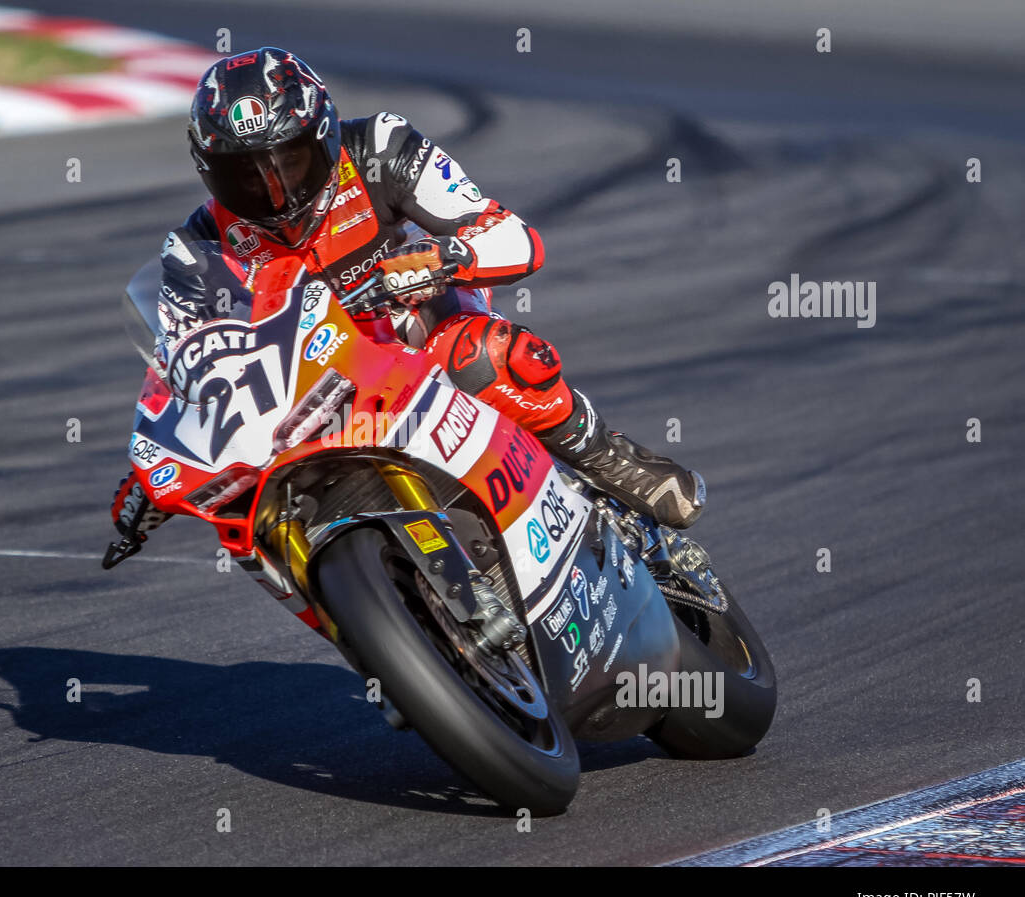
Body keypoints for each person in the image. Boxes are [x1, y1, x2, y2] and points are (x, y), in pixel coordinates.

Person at [111, 47, 703, 540]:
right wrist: (154, 471)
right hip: (306, 395)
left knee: (486, 356)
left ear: (322, 137)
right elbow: (183, 367)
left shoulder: (379, 149)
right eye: (247, 175)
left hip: (419, 336)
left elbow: (516, 237)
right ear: (211, 172)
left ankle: (603, 456)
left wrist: (449, 256)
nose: (275, 192)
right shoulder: (198, 248)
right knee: (253, 509)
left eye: (289, 162)